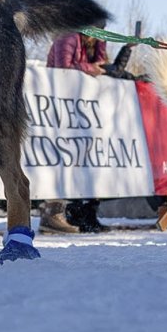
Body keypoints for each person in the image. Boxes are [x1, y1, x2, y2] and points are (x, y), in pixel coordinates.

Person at [43, 31, 111, 234]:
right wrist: (90, 68)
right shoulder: (68, 36)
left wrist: (101, 44)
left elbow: (102, 64)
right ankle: (54, 212)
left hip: (79, 106)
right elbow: (62, 70)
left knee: (84, 158)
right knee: (62, 157)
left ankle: (86, 215)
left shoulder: (91, 41)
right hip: (60, 103)